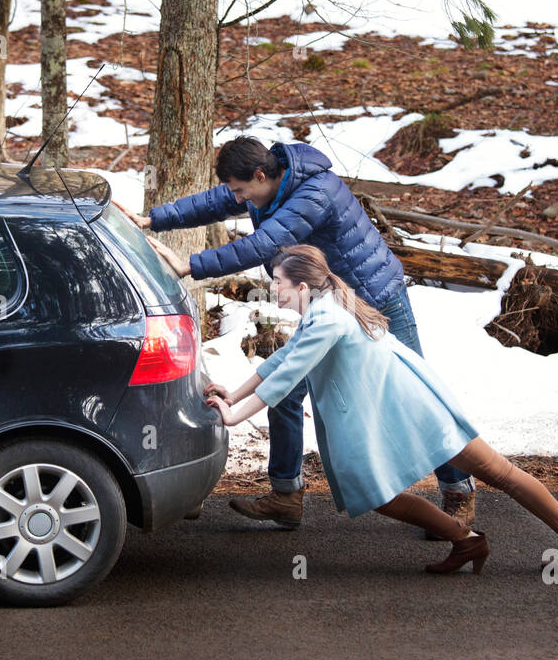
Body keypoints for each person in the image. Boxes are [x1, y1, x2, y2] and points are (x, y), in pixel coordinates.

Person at [123, 135, 477, 537]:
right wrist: (152, 219)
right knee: (286, 391)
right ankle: (286, 494)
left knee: (417, 396)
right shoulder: (265, 185)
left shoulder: (315, 193)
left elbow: (264, 244)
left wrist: (192, 265)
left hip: (376, 299)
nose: (237, 199)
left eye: (241, 190)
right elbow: (216, 201)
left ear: (260, 175)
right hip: (330, 307)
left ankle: (458, 490)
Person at [200, 244, 558, 574]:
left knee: (496, 472)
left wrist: (234, 416)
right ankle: (469, 541)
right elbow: (282, 359)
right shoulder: (325, 306)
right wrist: (234, 395)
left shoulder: (328, 319)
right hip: (404, 409)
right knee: (381, 492)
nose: (274, 290)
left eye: (278, 283)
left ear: (301, 286)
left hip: (418, 413)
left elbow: (289, 374)